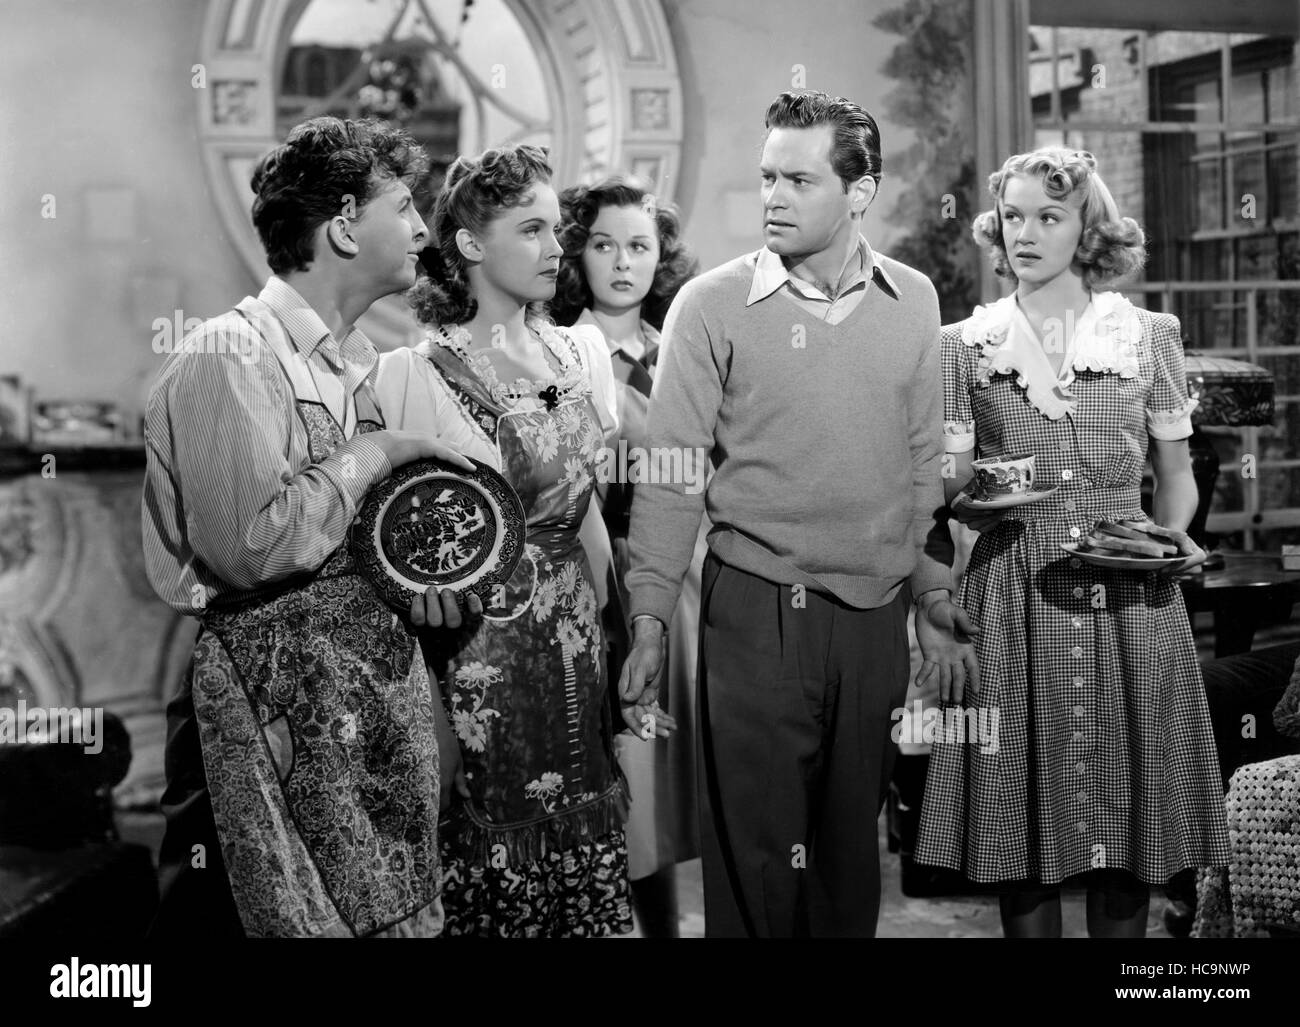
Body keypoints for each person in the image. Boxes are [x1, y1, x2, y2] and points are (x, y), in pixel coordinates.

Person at [619, 90, 978, 938]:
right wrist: (648, 617)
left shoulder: (916, 300)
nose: (772, 197)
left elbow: (923, 461)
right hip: (756, 608)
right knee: (756, 864)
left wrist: (932, 601)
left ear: (861, 191)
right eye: (766, 177)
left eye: (798, 179)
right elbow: (669, 475)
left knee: (850, 864)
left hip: (873, 618)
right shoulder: (709, 305)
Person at [142, 116, 476, 938]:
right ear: (342, 223)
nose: (423, 230)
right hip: (260, 728)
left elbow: (352, 544)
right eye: (403, 206)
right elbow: (255, 546)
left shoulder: (350, 366)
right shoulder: (230, 352)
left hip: (352, 720)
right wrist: (375, 451)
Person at [914, 147, 1231, 938]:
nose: (1025, 233)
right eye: (1012, 217)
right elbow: (945, 483)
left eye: (1047, 217)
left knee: (1130, 837)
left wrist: (1174, 540)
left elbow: (1177, 475)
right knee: (1022, 831)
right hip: (1010, 585)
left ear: (1087, 229)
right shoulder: (964, 345)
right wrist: (974, 498)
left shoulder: (1148, 334)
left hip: (1128, 584)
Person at [375, 144, 646, 937]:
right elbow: (404, 549)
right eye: (531, 229)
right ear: (466, 243)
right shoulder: (412, 375)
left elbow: (591, 513)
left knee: (584, 849)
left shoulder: (585, 353)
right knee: (493, 870)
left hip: (577, 647)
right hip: (475, 657)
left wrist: (624, 634)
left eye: (557, 229)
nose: (557, 248)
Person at [552, 176, 700, 937]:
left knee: (671, 778)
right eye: (603, 244)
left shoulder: (682, 345)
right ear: (577, 252)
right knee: (622, 766)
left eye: (639, 245)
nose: (621, 262)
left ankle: (667, 929)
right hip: (601, 574)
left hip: (688, 582)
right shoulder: (562, 353)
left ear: (660, 256)